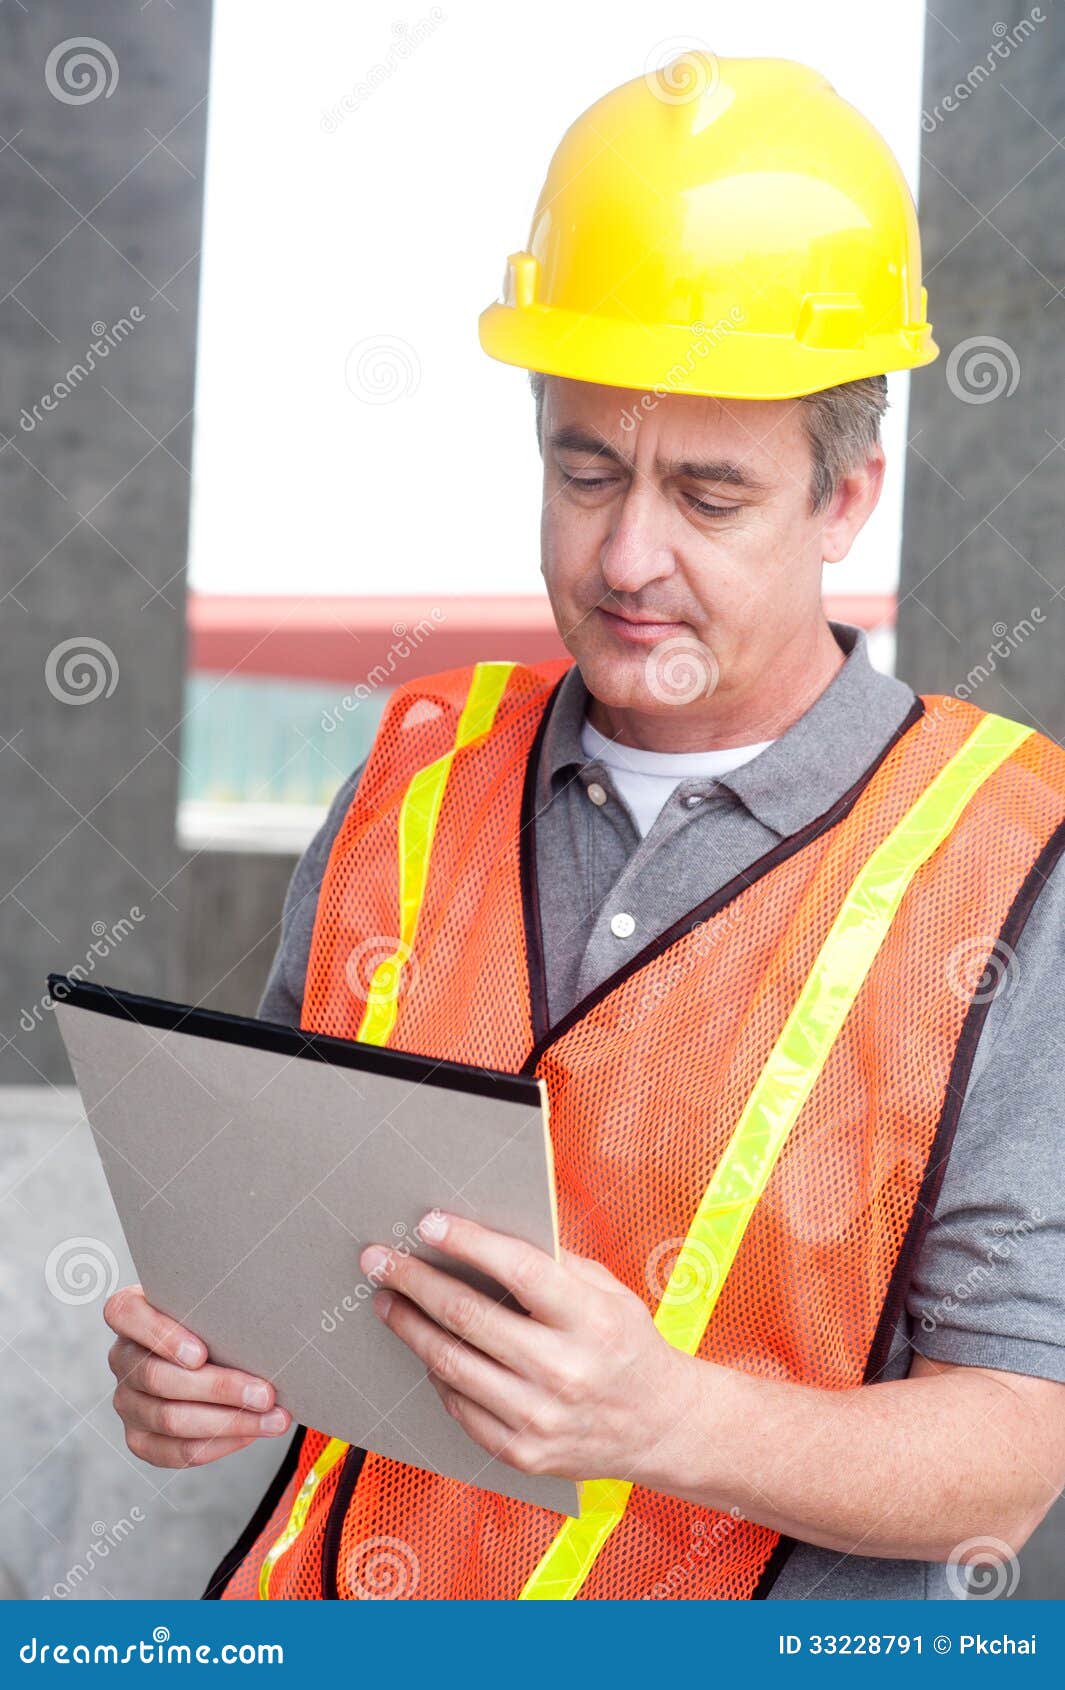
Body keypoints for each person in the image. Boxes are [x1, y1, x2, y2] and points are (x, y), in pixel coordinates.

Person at [104, 53, 1065, 1601]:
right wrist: (199, 1367)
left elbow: (1016, 1451)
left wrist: (670, 1419)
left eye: (707, 495)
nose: (628, 553)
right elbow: (272, 1246)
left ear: (843, 499)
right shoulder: (412, 780)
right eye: (586, 468)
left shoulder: (1015, 858)